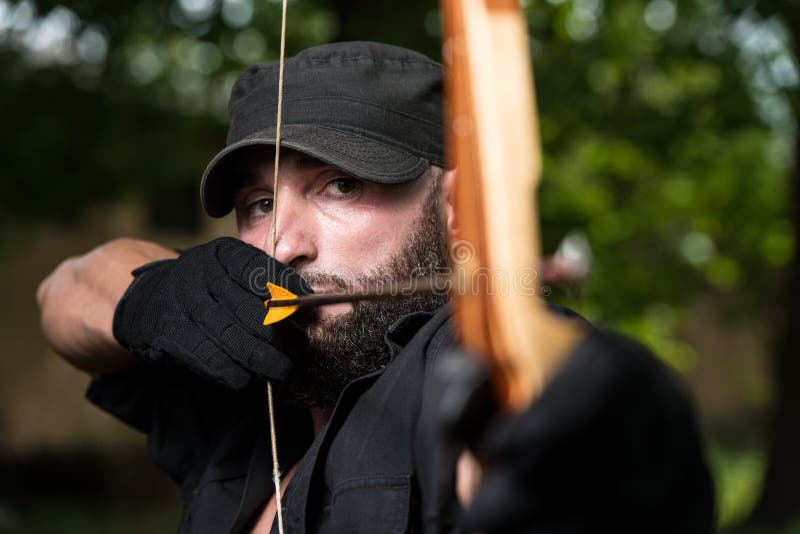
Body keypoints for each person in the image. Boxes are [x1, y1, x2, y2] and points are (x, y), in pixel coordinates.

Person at [37, 41, 714, 533]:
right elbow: (63, 293)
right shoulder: (247, 392)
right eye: (259, 203)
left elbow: (555, 415)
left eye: (340, 185)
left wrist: (604, 417)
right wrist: (159, 296)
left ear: (457, 210)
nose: (283, 243)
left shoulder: (458, 372)